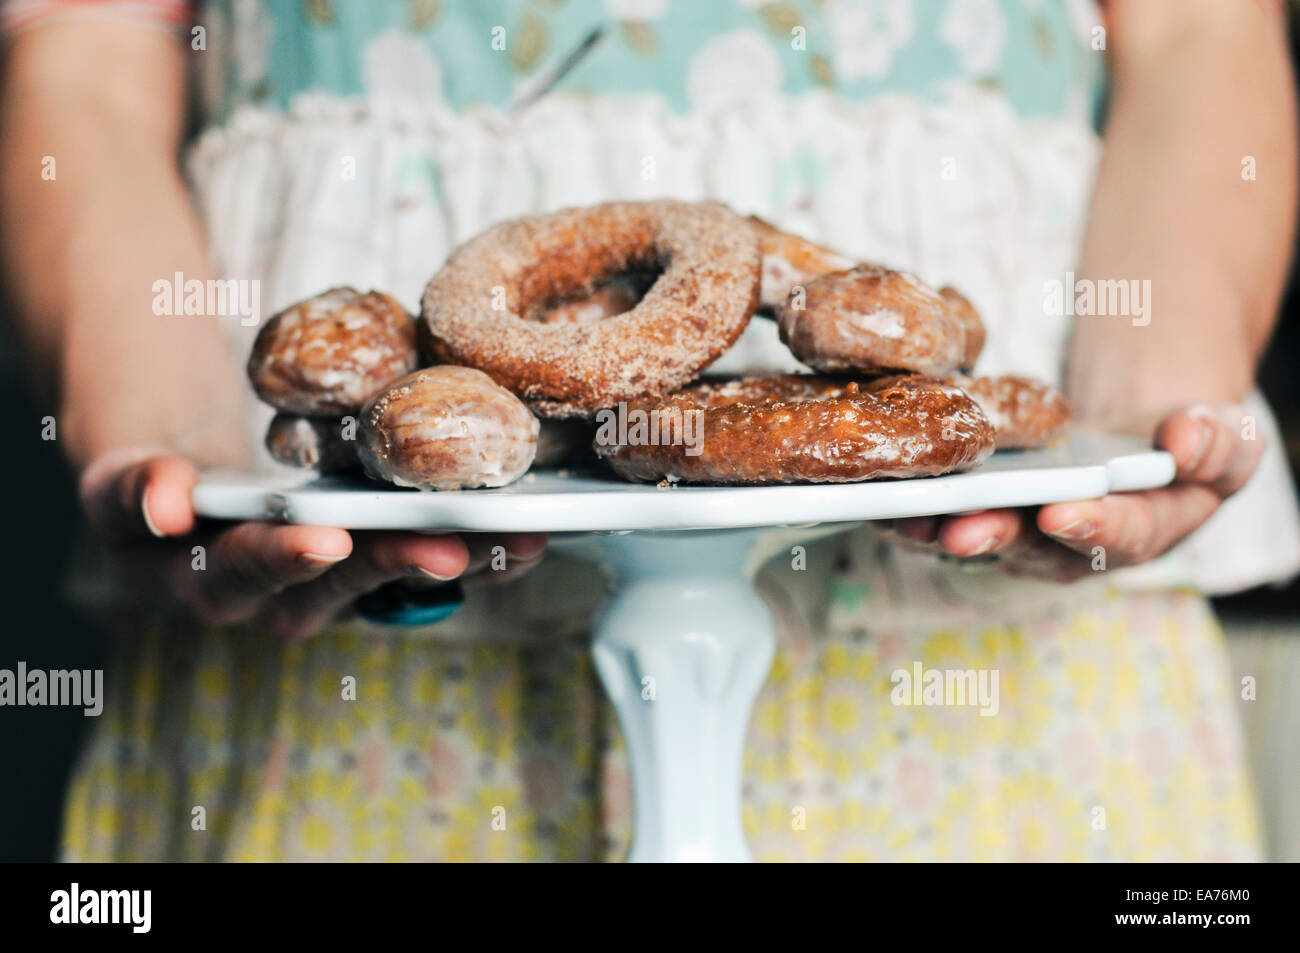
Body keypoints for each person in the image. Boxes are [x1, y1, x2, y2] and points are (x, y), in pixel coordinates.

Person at [1, 0, 1294, 861]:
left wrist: (1154, 399)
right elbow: (85, 52)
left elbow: (1199, 31)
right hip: (334, 701)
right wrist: (167, 428)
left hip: (1017, 704)